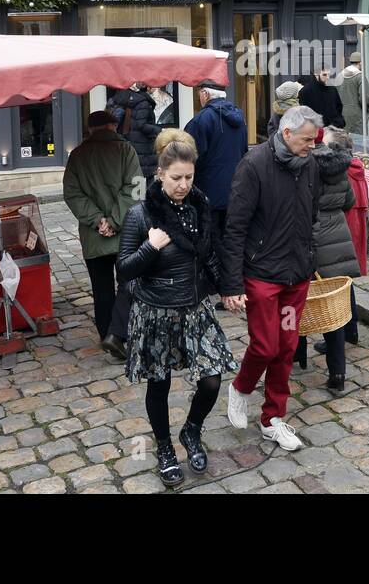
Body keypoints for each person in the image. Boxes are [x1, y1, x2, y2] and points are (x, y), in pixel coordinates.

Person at [116, 129, 237, 487]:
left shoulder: (199, 209)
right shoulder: (140, 215)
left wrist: (231, 289)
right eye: (175, 178)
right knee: (160, 384)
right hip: (156, 312)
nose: (183, 185)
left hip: (196, 309)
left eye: (189, 177)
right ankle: (165, 447)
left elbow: (212, 254)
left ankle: (191, 431)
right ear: (159, 175)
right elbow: (123, 270)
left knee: (212, 380)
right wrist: (150, 248)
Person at [221, 105, 323, 452]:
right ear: (287, 134)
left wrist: (310, 256)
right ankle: (240, 388)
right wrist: (231, 284)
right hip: (262, 275)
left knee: (286, 346)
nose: (313, 145)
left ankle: (272, 418)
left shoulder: (309, 164)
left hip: (295, 276)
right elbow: (234, 228)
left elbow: (311, 213)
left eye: (315, 139)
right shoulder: (254, 166)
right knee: (265, 344)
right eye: (308, 139)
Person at [64, 109, 142, 357]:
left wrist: (98, 221)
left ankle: (106, 334)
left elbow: (72, 194)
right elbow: (137, 190)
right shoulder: (126, 150)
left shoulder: (77, 155)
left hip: (93, 237)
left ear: (90, 130)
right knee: (128, 285)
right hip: (126, 234)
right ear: (114, 126)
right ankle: (119, 334)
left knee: (101, 288)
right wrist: (115, 221)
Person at [297, 127, 361, 394]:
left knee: (300, 300)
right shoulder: (339, 168)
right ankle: (337, 373)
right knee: (332, 305)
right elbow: (350, 200)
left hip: (313, 239)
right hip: (338, 236)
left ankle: (296, 353)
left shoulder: (306, 169)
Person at [183, 81, 248, 241]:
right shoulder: (240, 119)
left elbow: (188, 158)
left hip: (206, 194)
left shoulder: (200, 121)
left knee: (209, 243)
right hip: (235, 191)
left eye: (200, 93)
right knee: (230, 241)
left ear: (205, 94)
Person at [111, 82, 163, 179]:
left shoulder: (119, 99)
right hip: (144, 149)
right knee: (145, 183)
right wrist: (160, 131)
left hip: (128, 146)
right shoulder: (142, 102)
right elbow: (141, 125)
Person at [339, 51, 365, 135]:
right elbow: (365, 97)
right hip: (357, 113)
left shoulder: (340, 75)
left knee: (345, 139)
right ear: (360, 62)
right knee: (358, 140)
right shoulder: (360, 77)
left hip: (342, 112)